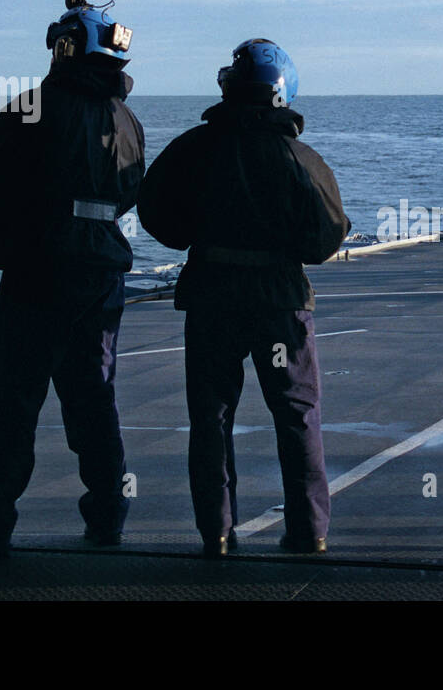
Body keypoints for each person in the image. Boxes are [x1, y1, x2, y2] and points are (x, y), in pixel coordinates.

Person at [137, 39, 348, 557]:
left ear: (230, 86)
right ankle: (309, 530)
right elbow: (324, 239)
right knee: (297, 415)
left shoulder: (192, 147)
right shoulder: (302, 158)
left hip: (212, 298)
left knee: (211, 417)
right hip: (281, 302)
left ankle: (217, 532)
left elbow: (155, 213)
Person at [0, 0, 144, 559]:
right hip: (103, 275)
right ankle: (107, 515)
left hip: (36, 275)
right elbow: (131, 190)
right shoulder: (128, 118)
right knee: (94, 397)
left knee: (13, 403)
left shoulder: (30, 107)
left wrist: (14, 244)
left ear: (66, 47)